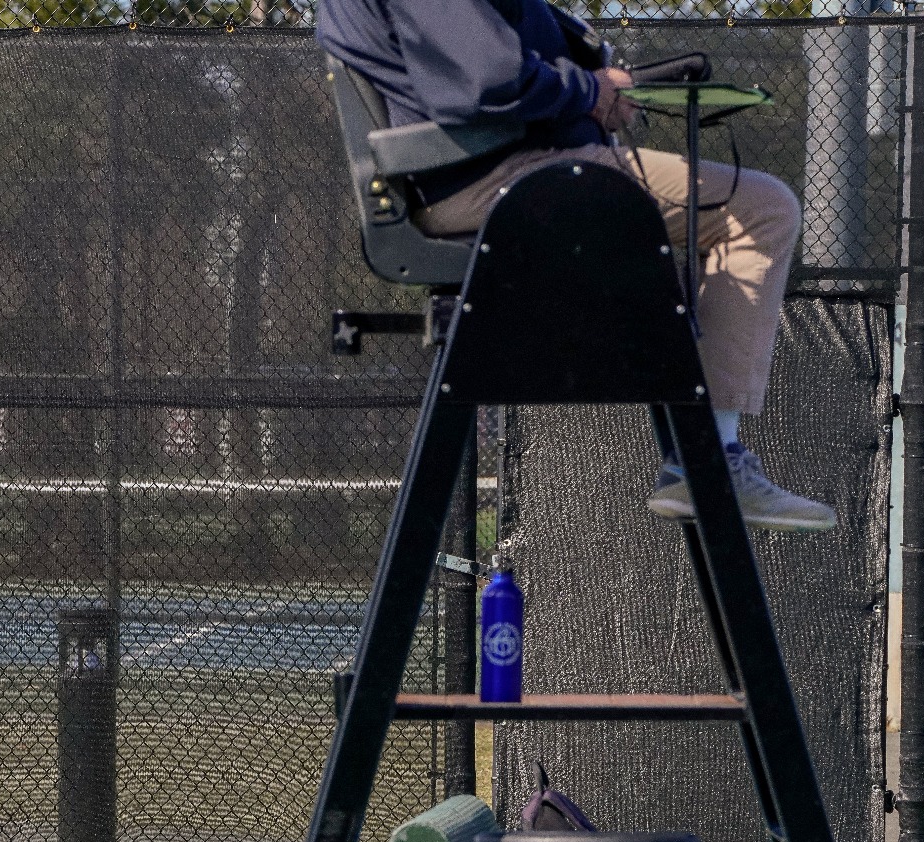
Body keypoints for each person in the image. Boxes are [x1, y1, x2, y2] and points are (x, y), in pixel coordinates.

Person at [320, 0, 836, 532]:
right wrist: (590, 92)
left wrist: (593, 86)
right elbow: (485, 82)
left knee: (732, 212)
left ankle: (703, 459)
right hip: (500, 178)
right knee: (761, 209)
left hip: (490, 173)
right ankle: (712, 463)